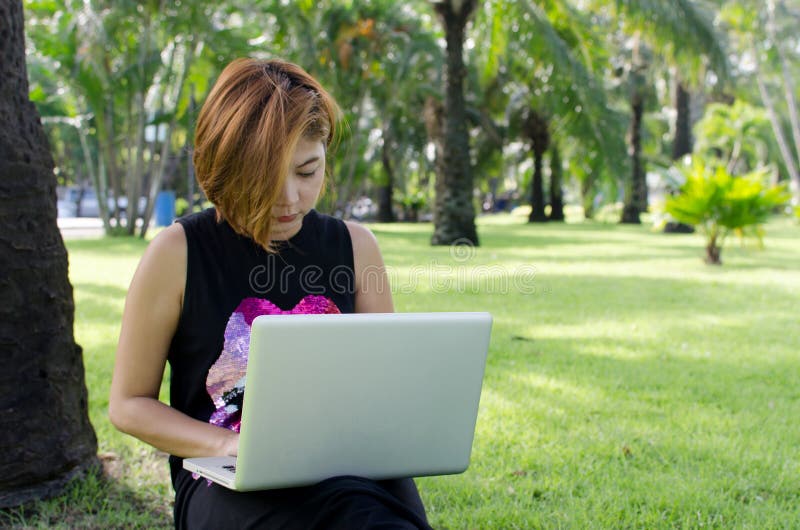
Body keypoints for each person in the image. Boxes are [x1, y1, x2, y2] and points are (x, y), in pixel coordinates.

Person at [109, 58, 432, 529]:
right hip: (226, 477)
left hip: (348, 466)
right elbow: (128, 403)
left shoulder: (356, 247)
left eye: (307, 172)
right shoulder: (177, 252)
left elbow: (380, 386)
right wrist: (230, 446)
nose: (289, 198)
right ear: (223, 166)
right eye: (265, 176)